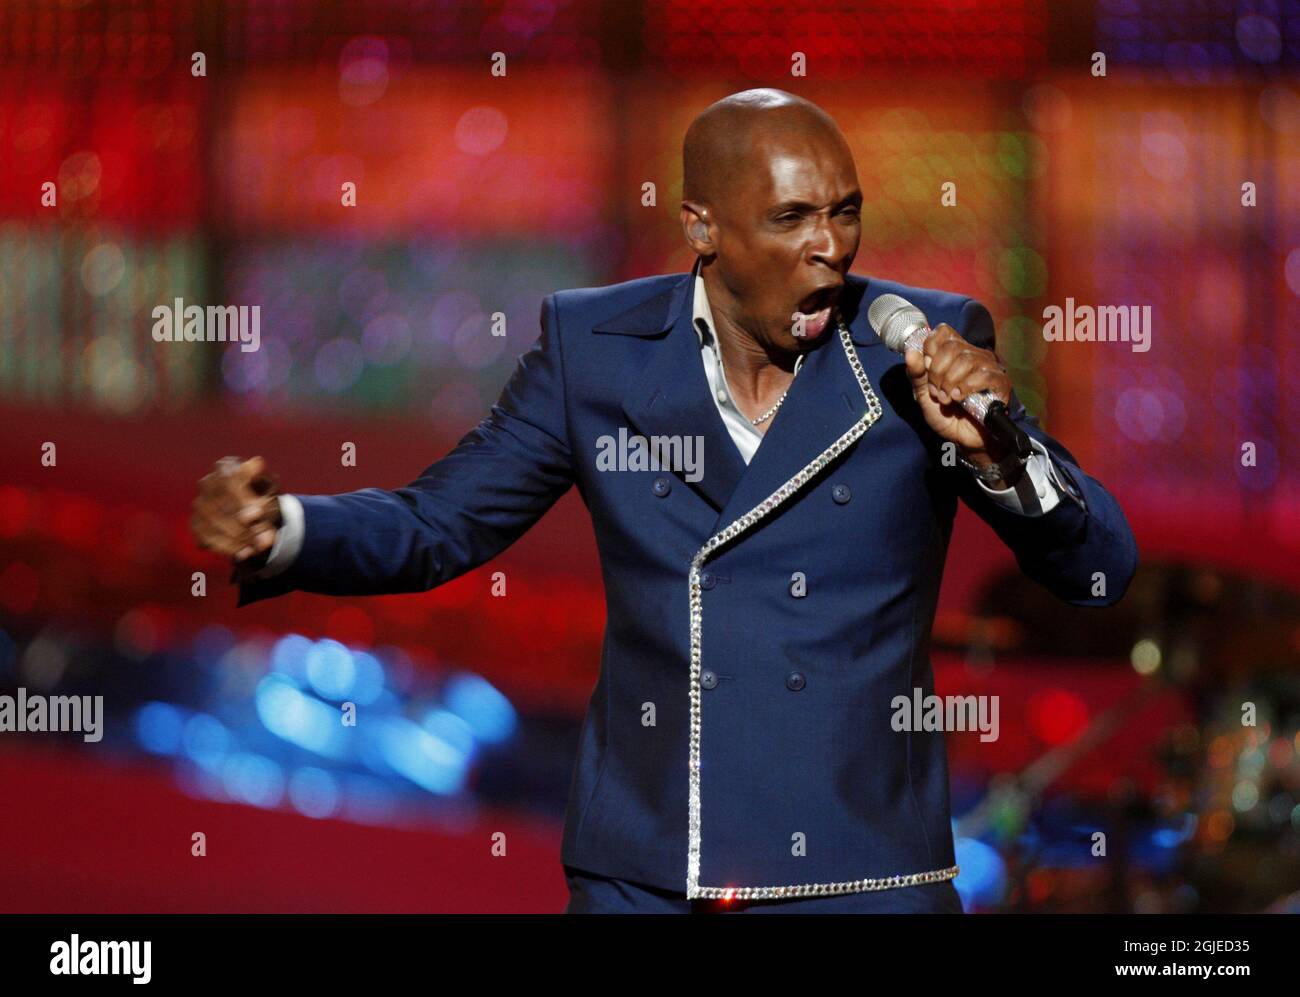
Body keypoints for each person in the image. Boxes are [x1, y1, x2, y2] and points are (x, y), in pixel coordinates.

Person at [190, 88, 1137, 913]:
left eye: (845, 213)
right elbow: (438, 524)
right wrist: (283, 527)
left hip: (860, 875)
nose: (829, 249)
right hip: (647, 872)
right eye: (792, 218)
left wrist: (999, 457)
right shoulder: (596, 350)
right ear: (702, 228)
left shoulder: (920, 348)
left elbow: (1100, 569)